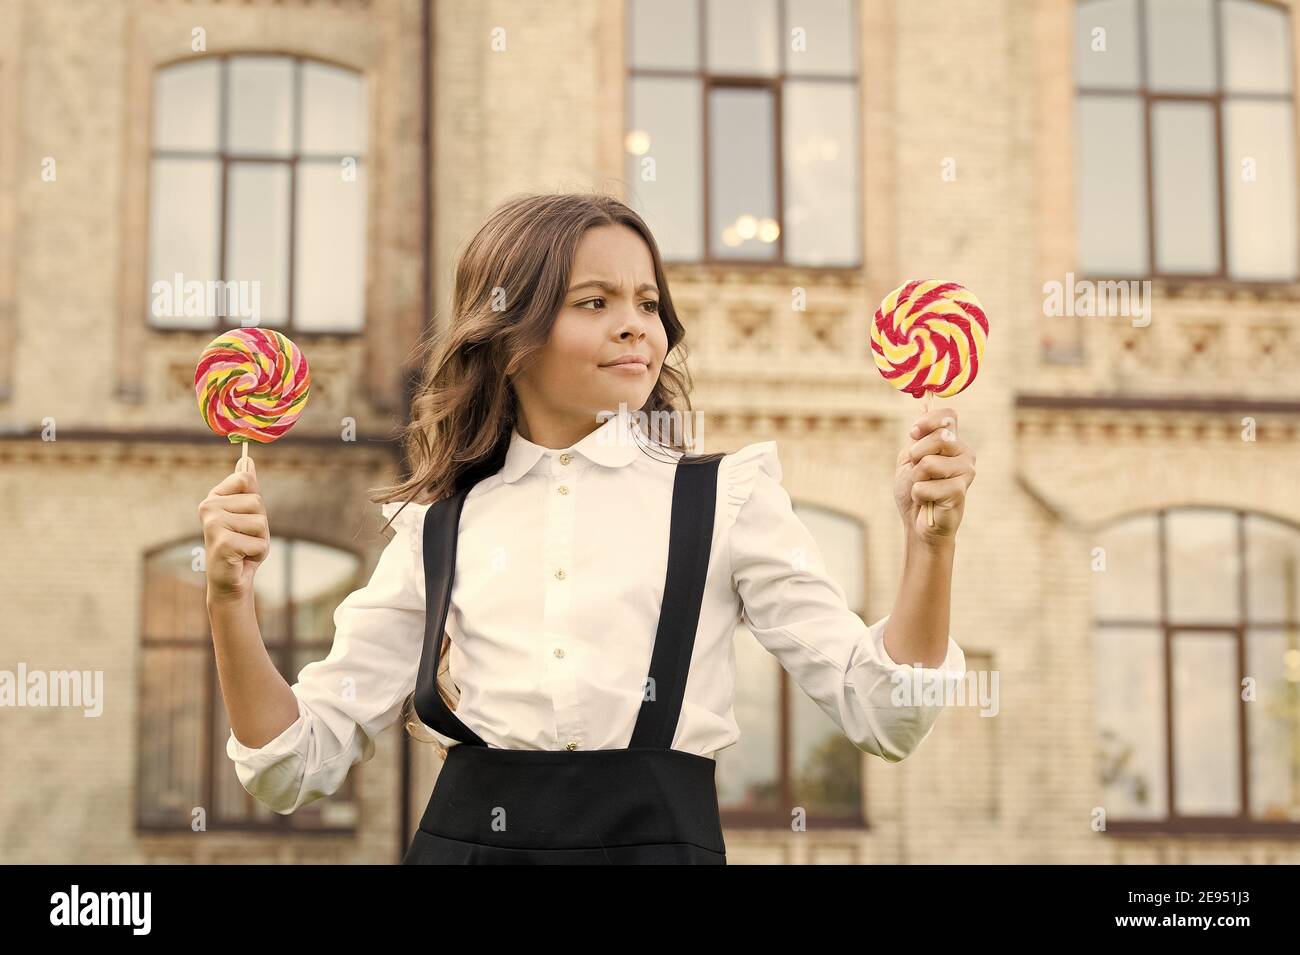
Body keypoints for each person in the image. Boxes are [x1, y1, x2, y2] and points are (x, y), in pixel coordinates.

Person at [200, 192, 975, 864]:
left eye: (647, 303)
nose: (635, 326)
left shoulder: (726, 501)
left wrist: (928, 546)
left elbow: (885, 714)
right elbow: (292, 764)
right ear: (508, 338)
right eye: (595, 302)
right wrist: (229, 600)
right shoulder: (439, 524)